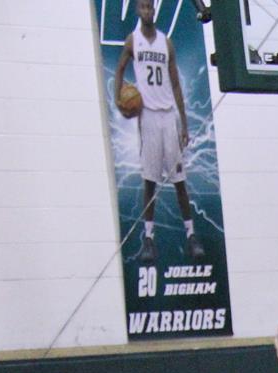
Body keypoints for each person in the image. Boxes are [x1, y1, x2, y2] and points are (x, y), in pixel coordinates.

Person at [114, 0, 204, 264]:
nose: (147, 11)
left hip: (169, 117)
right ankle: (149, 238)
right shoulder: (133, 41)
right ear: (137, 11)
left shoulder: (167, 43)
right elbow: (119, 70)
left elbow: (175, 83)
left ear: (154, 10)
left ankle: (191, 235)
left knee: (179, 181)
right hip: (149, 117)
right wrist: (119, 101)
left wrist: (184, 122)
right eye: (142, 7)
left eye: (150, 7)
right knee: (150, 180)